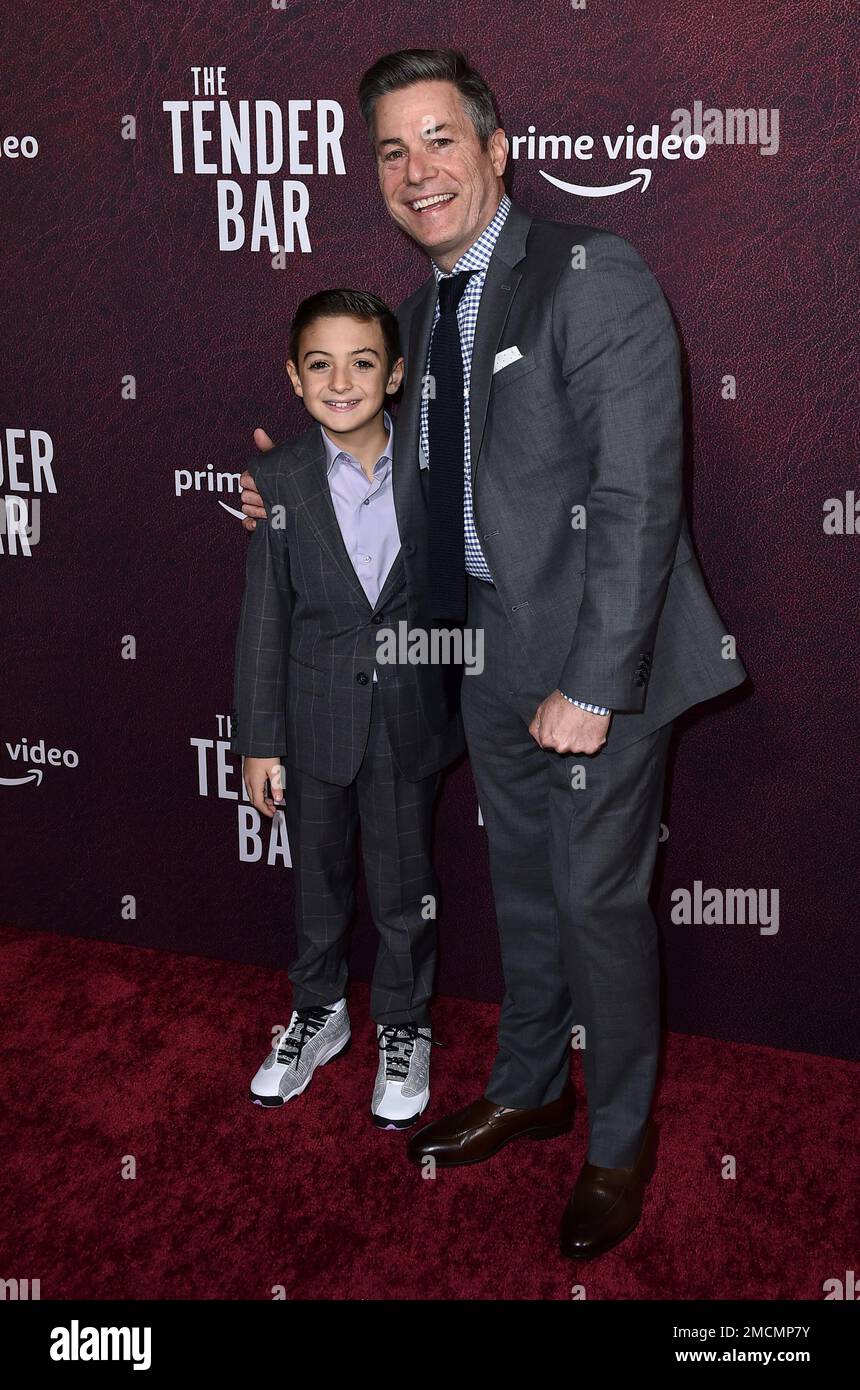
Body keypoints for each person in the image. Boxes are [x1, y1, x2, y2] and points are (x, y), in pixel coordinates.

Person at [240, 50, 748, 1259]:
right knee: (524, 899)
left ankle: (616, 1143)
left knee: (595, 905)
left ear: (495, 144)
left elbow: (637, 497)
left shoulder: (588, 273)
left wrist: (593, 681)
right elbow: (367, 470)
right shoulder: (408, 325)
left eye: (438, 140)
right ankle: (532, 1087)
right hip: (480, 659)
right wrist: (282, 494)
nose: (416, 172)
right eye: (389, 151)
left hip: (593, 670)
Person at [231, 288, 463, 1128]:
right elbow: (264, 619)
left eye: (362, 362)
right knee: (317, 884)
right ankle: (318, 1012)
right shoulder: (279, 477)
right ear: (294, 378)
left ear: (395, 373)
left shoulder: (438, 463)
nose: (342, 381)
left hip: (409, 719)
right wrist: (258, 741)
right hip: (313, 719)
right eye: (319, 364)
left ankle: (405, 1026)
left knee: (405, 892)